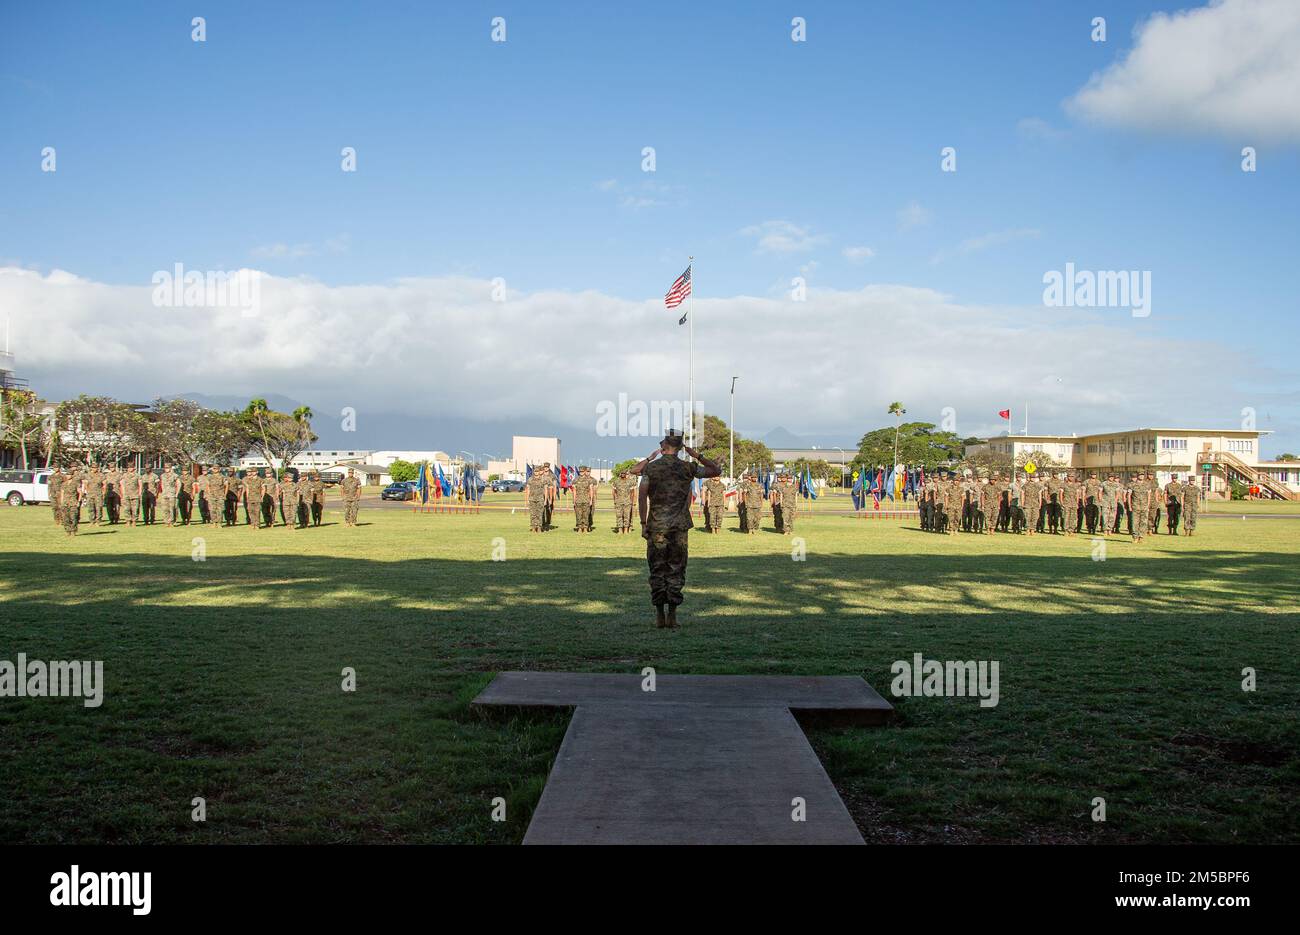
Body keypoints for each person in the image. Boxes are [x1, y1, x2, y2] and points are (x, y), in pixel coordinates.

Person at [628, 431, 721, 629]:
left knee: (657, 569)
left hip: (656, 526)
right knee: (676, 568)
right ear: (680, 448)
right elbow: (716, 470)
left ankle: (659, 616)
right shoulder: (687, 467)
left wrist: (643, 524)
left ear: (664, 446)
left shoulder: (651, 468)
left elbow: (641, 495)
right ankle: (673, 616)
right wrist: (696, 455)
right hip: (679, 528)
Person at [571, 465, 597, 533]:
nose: (581, 472)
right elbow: (574, 491)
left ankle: (585, 527)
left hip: (586, 500)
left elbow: (591, 490)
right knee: (578, 514)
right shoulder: (575, 480)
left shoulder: (589, 480)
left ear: (585, 471)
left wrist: (591, 500)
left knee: (586, 514)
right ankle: (579, 527)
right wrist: (574, 500)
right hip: (578, 500)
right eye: (580, 471)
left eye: (582, 471)